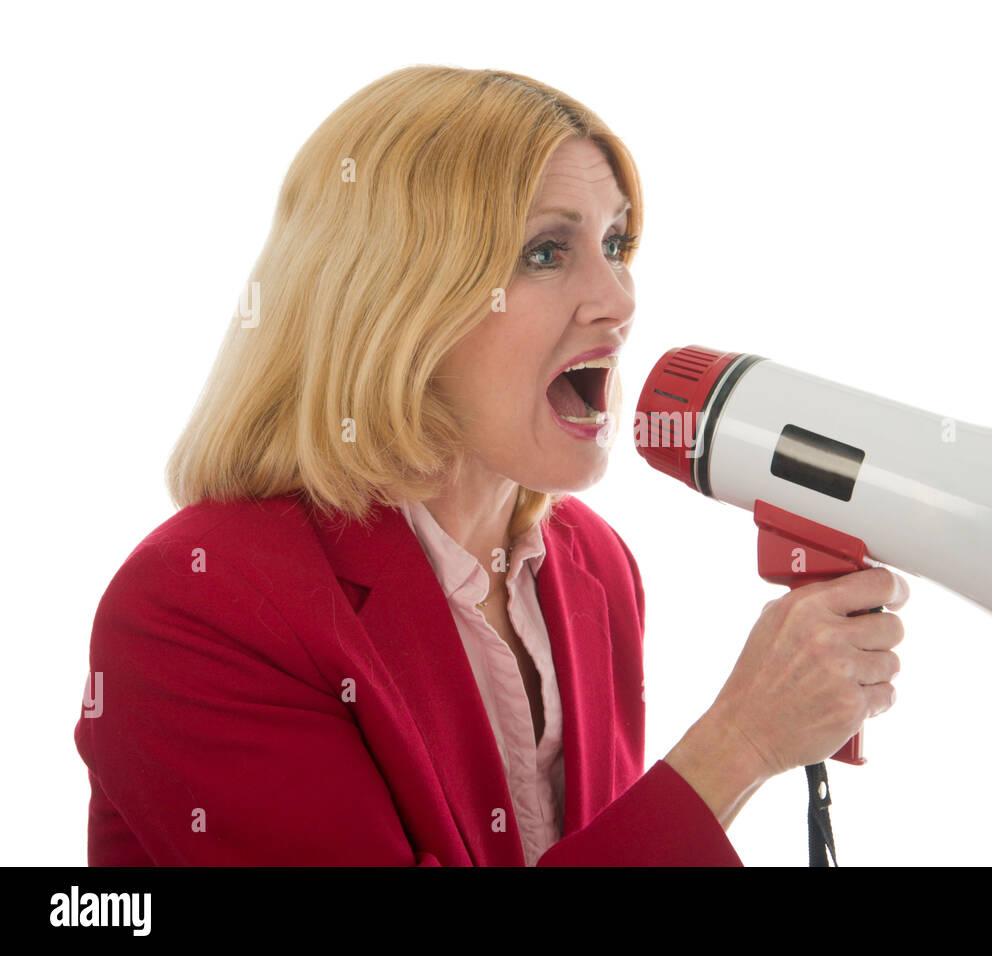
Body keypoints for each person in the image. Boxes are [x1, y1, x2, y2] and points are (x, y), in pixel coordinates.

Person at [73, 66, 908, 866]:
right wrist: (743, 744)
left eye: (616, 242)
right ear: (393, 298)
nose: (619, 298)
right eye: (546, 252)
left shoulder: (592, 565)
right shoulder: (199, 604)